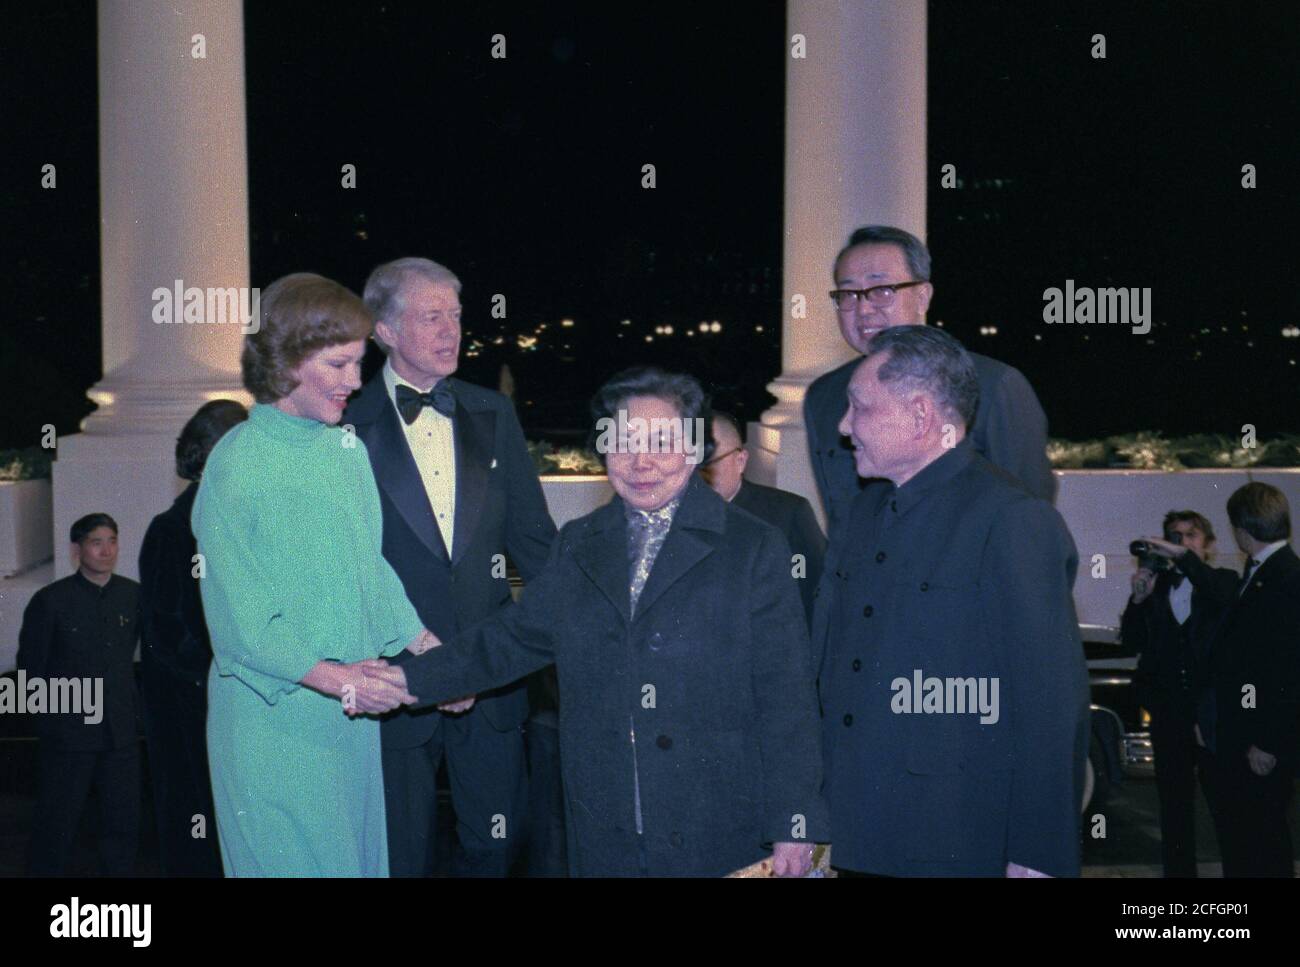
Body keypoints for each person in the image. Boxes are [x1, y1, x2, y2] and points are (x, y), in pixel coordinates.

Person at [371, 367, 829, 876]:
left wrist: (796, 822)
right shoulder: (580, 543)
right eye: (623, 440)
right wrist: (404, 678)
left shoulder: (751, 547)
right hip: (607, 824)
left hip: (715, 822)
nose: (641, 461)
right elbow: (511, 640)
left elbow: (785, 693)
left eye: (662, 441)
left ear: (696, 450)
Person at [815, 325, 1088, 877]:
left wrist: (1037, 855)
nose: (844, 428)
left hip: (953, 840)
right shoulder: (861, 516)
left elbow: (1050, 705)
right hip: (851, 835)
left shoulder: (1012, 518)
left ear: (920, 416)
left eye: (859, 408)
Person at [193, 273, 431, 877]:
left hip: (346, 723)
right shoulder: (235, 462)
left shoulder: (344, 452)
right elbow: (241, 622)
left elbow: (368, 572)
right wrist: (339, 679)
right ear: (287, 362)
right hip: (273, 725)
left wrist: (434, 660)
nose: (356, 381)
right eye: (338, 364)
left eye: (359, 363)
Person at [344, 257, 556, 877]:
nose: (452, 330)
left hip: (491, 680)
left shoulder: (494, 411)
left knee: (494, 849)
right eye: (432, 316)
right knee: (396, 856)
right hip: (390, 684)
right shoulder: (344, 423)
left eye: (457, 316)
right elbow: (346, 567)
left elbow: (535, 545)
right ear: (383, 329)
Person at [804, 225, 1054, 535]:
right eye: (848, 294)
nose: (864, 308)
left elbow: (1028, 526)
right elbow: (839, 524)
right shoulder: (824, 398)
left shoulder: (994, 385)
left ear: (923, 296)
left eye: (881, 291)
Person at [138, 399, 247, 877]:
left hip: (234, 706)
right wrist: (228, 678)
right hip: (190, 716)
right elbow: (168, 634)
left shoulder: (240, 522)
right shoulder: (172, 531)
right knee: (197, 830)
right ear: (209, 456)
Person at [18, 513, 141, 875]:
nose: (106, 550)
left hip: (120, 736)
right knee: (56, 827)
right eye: (96, 542)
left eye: (112, 540)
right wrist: (51, 727)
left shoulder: (132, 596)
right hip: (68, 737)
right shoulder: (50, 601)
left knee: (122, 825)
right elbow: (31, 672)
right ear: (77, 550)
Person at [1121, 511, 1237, 877]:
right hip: (1169, 714)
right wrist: (1139, 598)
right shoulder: (1159, 585)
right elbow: (1133, 642)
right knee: (1174, 806)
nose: (1184, 542)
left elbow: (1220, 596)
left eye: (1192, 536)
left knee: (1225, 805)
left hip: (1212, 715)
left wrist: (1182, 556)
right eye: (1175, 535)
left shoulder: (1224, 580)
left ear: (1209, 544)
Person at [1199, 482, 1300, 877]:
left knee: (1263, 841)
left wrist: (1268, 741)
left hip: (1260, 740)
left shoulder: (1286, 579)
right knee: (1245, 839)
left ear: (1242, 529)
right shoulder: (1264, 572)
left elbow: (1288, 670)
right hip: (1244, 732)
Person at [701, 411, 825, 624]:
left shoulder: (788, 515)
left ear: (740, 461)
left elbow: (813, 595)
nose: (697, 476)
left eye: (708, 464)